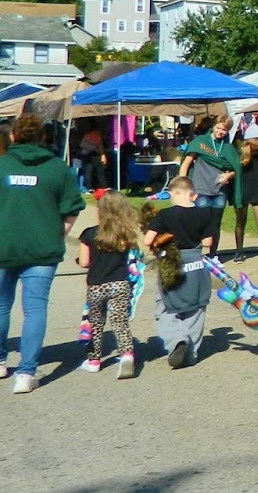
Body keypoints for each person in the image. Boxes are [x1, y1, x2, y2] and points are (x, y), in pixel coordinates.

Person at [0, 114, 87, 392]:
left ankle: (0, 360)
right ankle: (26, 373)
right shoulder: (57, 168)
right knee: (35, 308)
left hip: (4, 247)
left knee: (1, 306)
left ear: (13, 136)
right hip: (43, 249)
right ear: (42, 137)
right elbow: (72, 208)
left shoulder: (2, 165)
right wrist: (59, 233)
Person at [144, 175, 217, 368]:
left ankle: (177, 339)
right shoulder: (205, 214)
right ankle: (191, 353)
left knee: (165, 305)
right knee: (196, 308)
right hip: (196, 263)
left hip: (172, 263)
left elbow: (147, 240)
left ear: (172, 194)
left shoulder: (164, 215)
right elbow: (208, 242)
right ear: (194, 195)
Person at [77, 190, 142, 379]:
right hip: (120, 283)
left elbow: (84, 262)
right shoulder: (126, 235)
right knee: (120, 321)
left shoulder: (89, 234)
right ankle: (127, 354)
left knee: (95, 323)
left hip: (97, 285)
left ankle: (94, 360)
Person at [179, 115, 239, 250]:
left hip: (220, 191)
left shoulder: (228, 147)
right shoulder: (200, 142)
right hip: (200, 189)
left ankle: (213, 255)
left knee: (215, 225)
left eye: (224, 130)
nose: (220, 132)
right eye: (218, 128)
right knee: (199, 222)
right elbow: (185, 165)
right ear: (213, 126)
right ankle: (196, 252)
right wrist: (183, 187)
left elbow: (237, 168)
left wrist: (229, 175)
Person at [231, 137, 258, 265]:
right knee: (240, 222)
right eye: (255, 139)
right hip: (242, 190)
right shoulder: (239, 153)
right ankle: (239, 251)